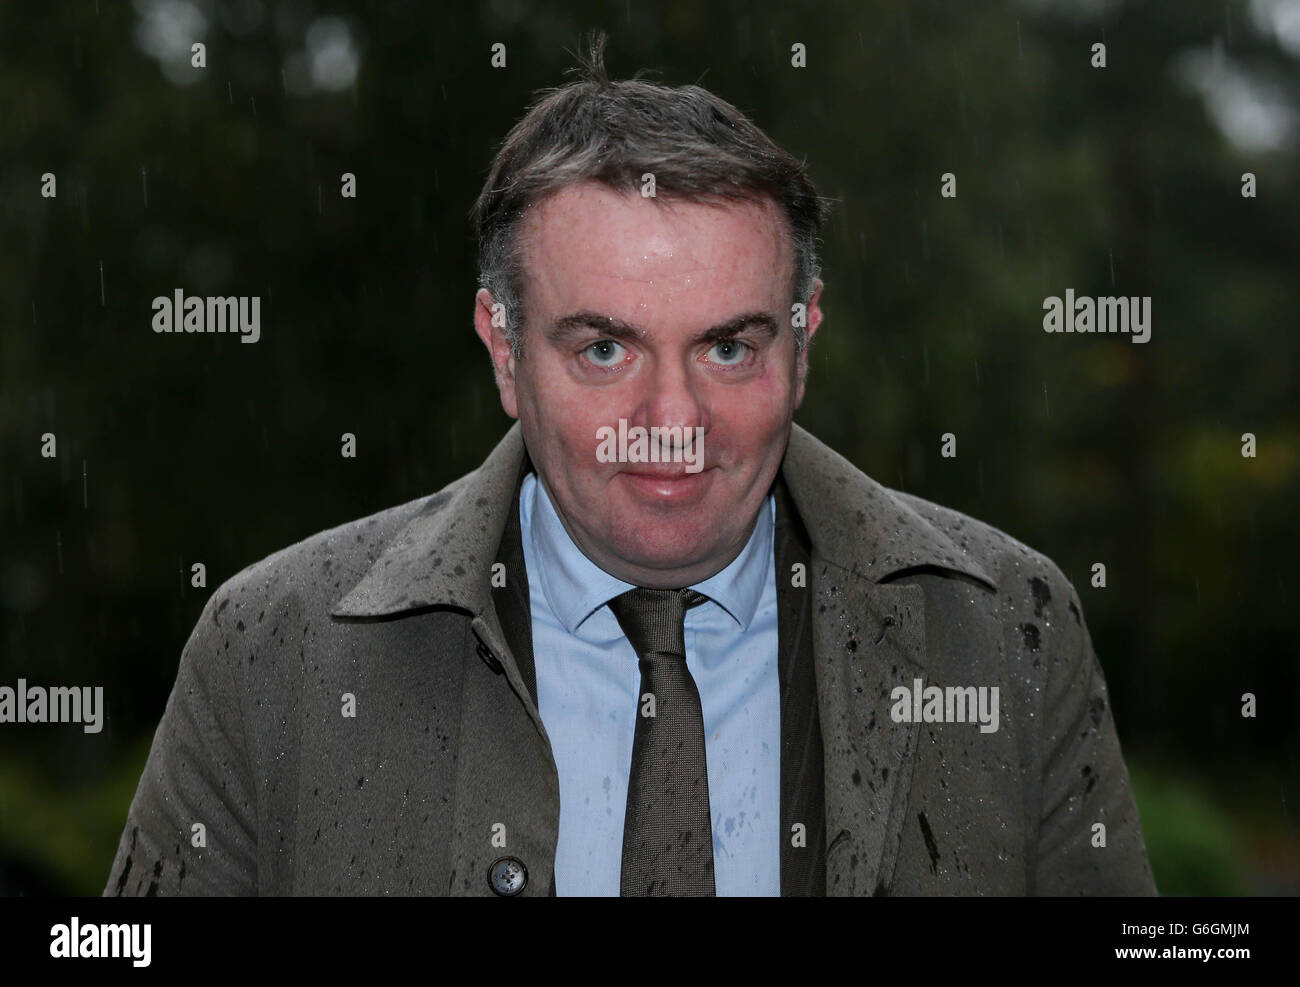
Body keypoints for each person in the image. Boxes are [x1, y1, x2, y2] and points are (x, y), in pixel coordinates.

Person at [105, 35, 1156, 897]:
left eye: (728, 347)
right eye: (603, 349)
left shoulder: (1006, 630)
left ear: (803, 344)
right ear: (505, 351)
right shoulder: (270, 656)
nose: (669, 419)